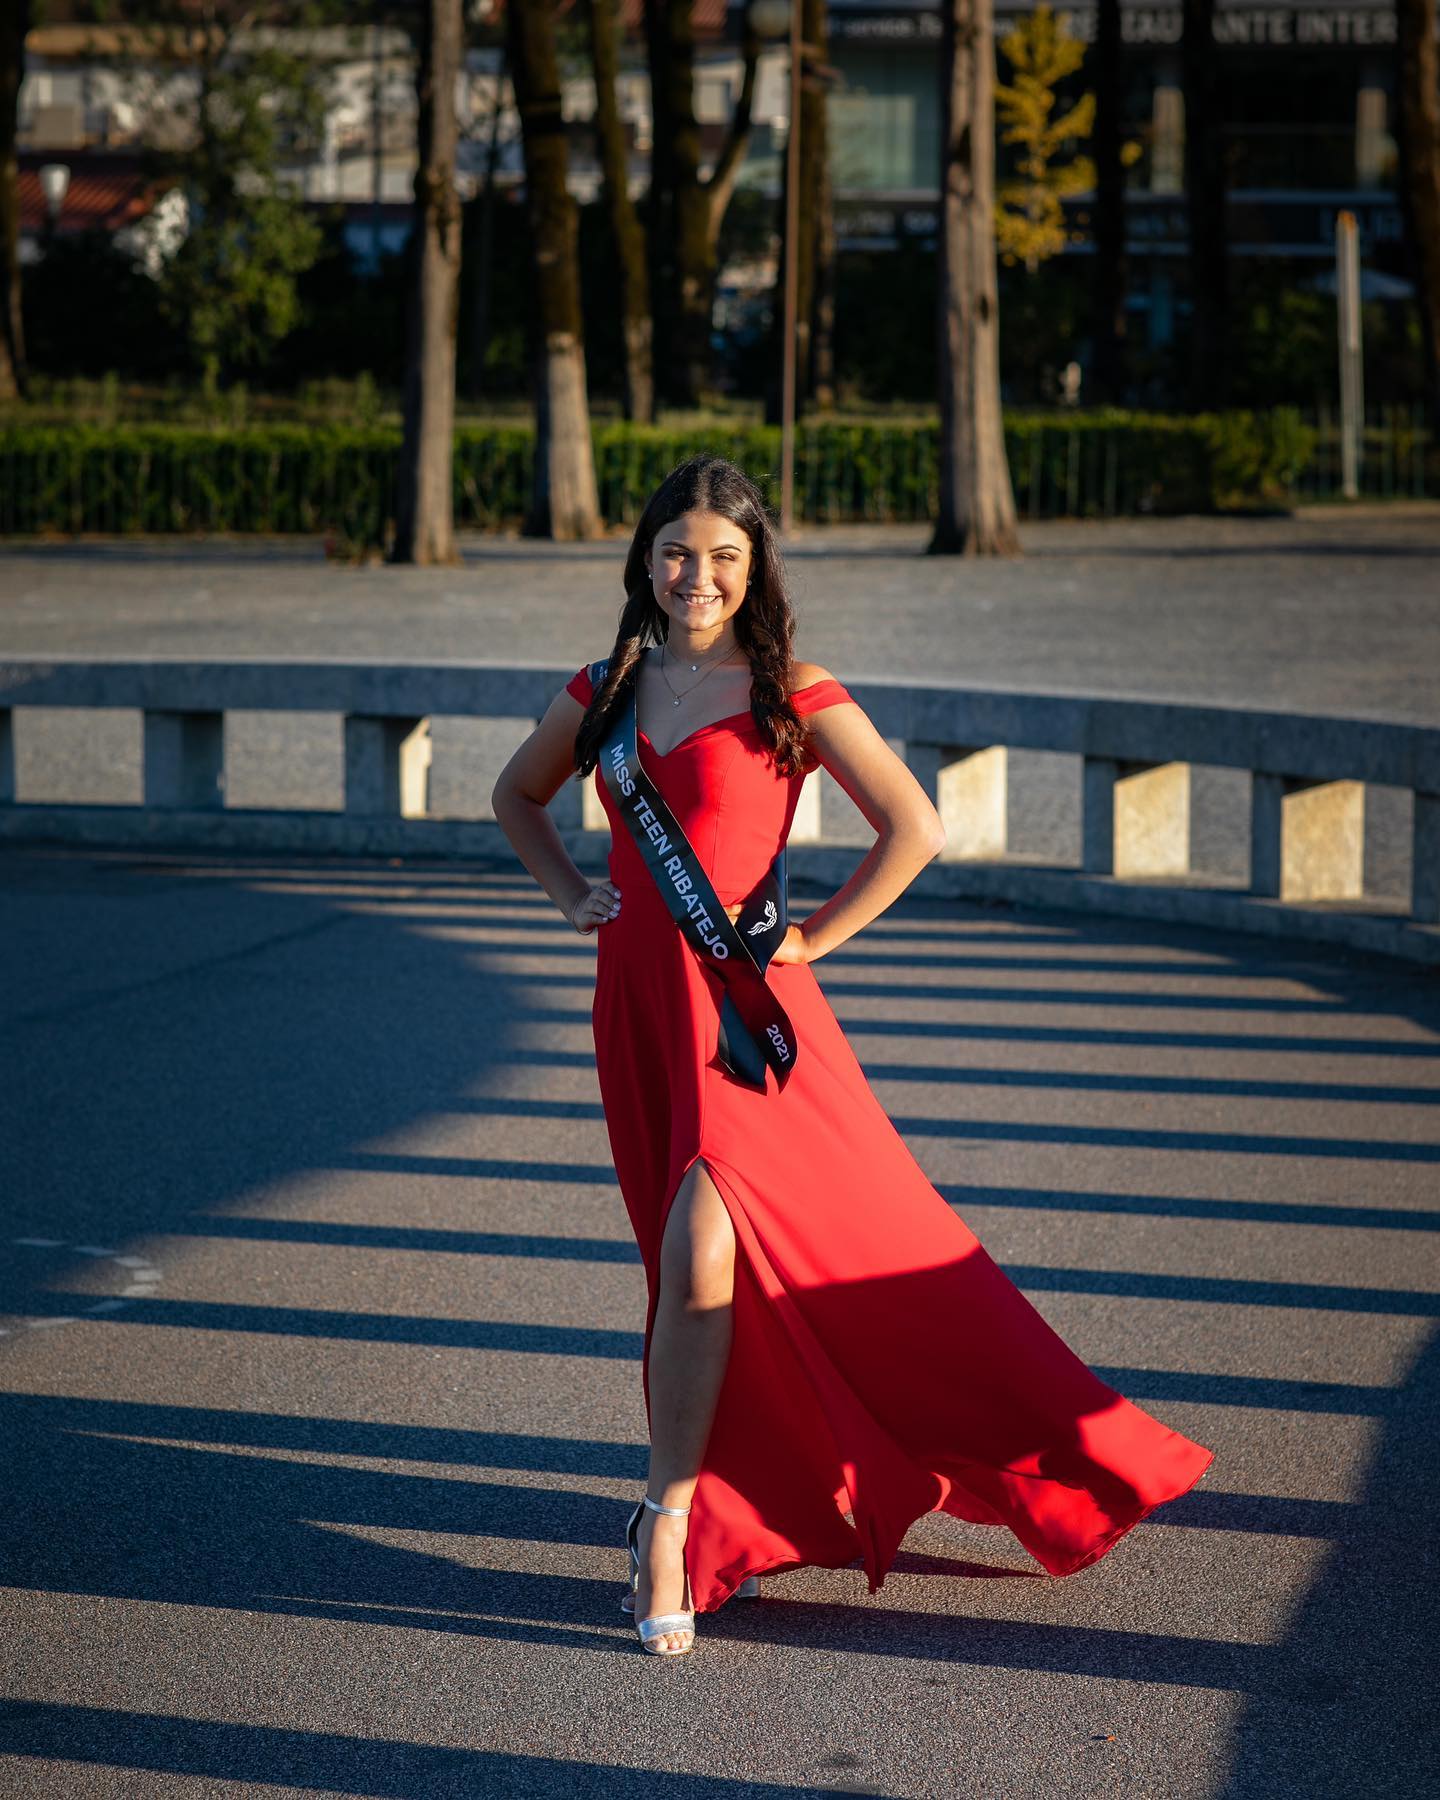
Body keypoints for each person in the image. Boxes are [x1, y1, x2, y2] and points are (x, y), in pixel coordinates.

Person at [490, 454, 1213, 1659]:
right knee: (692, 1269)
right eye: (679, 551)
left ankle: (669, 1519)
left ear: (756, 566)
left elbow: (914, 825)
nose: (699, 575)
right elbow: (518, 795)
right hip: (643, 1011)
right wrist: (571, 894)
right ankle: (732, 1499)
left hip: (751, 1024)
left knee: (708, 1248)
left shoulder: (793, 690)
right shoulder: (605, 688)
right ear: (646, 560)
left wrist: (816, 936)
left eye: (726, 555)